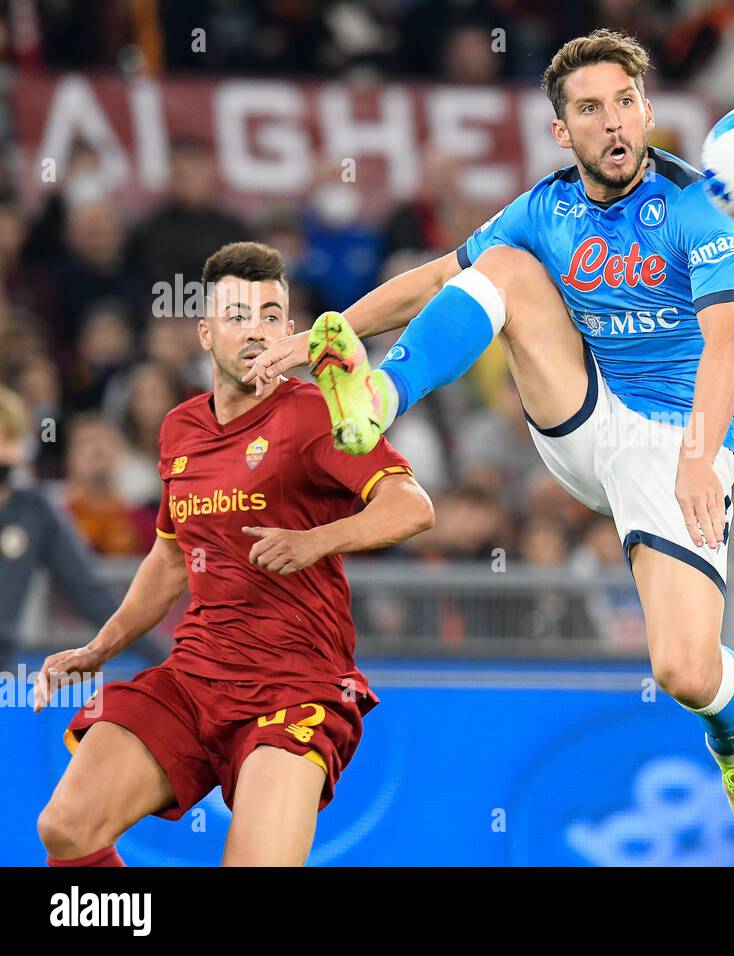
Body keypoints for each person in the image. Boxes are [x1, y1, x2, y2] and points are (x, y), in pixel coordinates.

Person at [248, 30, 734, 823]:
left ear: (647, 111)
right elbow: (434, 276)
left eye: (625, 103)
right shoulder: (546, 207)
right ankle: (380, 400)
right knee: (502, 269)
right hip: (584, 413)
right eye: (591, 109)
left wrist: (702, 459)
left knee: (684, 672)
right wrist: (333, 335)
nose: (614, 124)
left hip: (678, 441)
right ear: (563, 133)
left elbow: (731, 339)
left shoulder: (700, 207)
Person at [35, 242, 434, 867]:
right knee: (66, 827)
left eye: (273, 315)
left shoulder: (314, 415)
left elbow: (412, 506)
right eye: (239, 314)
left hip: (296, 686)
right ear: (205, 332)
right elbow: (169, 560)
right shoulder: (179, 430)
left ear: (290, 330)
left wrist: (315, 541)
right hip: (195, 678)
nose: (258, 330)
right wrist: (100, 648)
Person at [0, 386, 124, 669]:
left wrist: (165, 655)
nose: (4, 450)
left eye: (10, 439)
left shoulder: (35, 510)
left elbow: (90, 594)